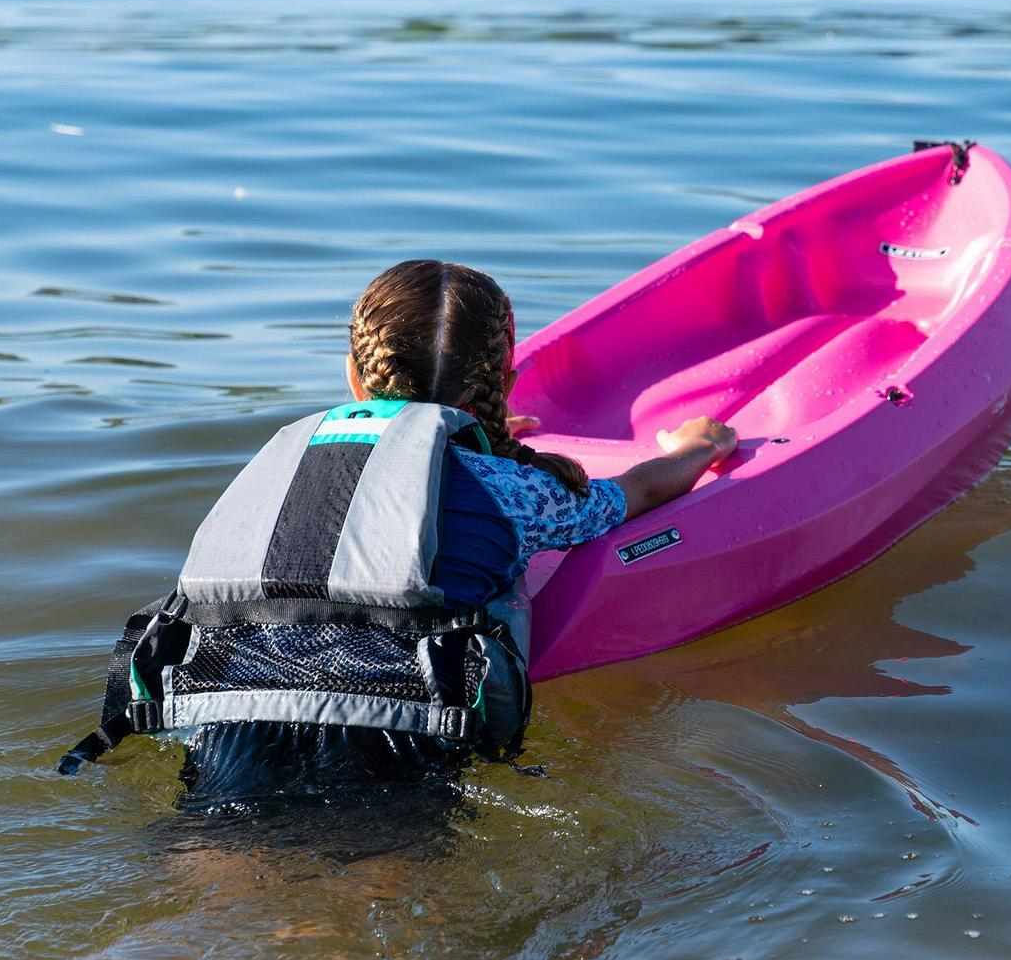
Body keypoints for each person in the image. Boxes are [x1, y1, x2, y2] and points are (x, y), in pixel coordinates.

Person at [58, 259, 737, 805]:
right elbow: (634, 494)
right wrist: (696, 447)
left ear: (354, 377)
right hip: (401, 722)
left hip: (230, 711)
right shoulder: (517, 491)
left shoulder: (287, 460)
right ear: (503, 380)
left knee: (216, 871)